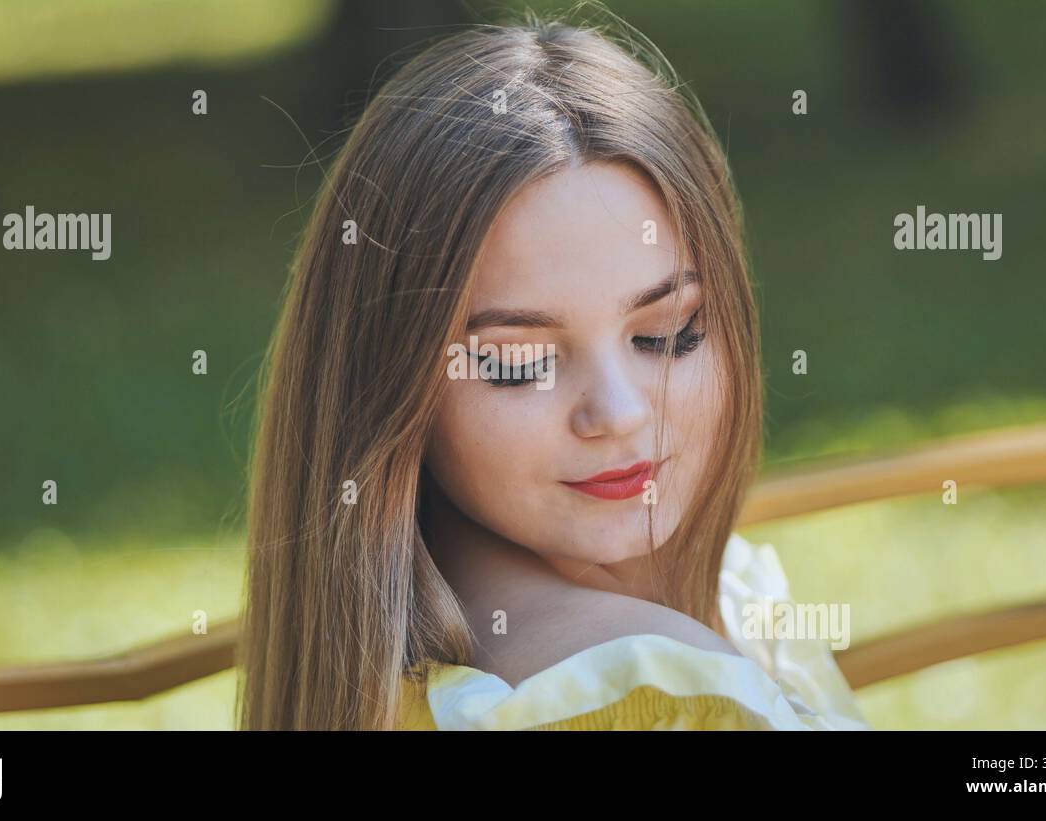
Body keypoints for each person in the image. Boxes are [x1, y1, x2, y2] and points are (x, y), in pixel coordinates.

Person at [239, 13, 869, 731]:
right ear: (387, 384)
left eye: (670, 334)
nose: (621, 411)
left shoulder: (389, 661)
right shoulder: (656, 689)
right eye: (519, 362)